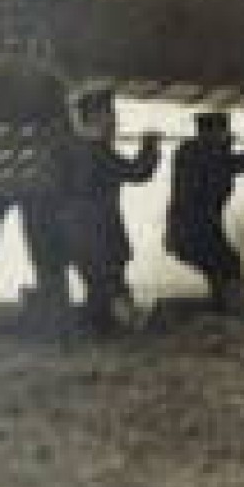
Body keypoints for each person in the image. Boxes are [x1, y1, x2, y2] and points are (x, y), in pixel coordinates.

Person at [0, 22, 77, 328]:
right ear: (33, 38)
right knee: (46, 249)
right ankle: (58, 322)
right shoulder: (50, 77)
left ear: (3, 38)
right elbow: (64, 136)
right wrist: (68, 182)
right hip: (38, 170)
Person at [58, 88, 161, 334]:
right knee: (109, 279)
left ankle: (99, 325)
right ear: (94, 118)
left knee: (97, 282)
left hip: (76, 225)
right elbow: (137, 172)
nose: (113, 121)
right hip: (97, 225)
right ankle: (129, 323)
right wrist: (149, 147)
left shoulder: (73, 146)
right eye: (108, 115)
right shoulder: (95, 149)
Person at [164, 112, 244, 312]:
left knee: (223, 269)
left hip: (191, 229)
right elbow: (242, 163)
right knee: (228, 265)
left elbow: (230, 164)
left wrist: (226, 147)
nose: (229, 134)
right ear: (214, 133)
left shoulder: (192, 151)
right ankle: (233, 308)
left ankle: (224, 306)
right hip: (195, 230)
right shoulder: (204, 154)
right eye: (225, 131)